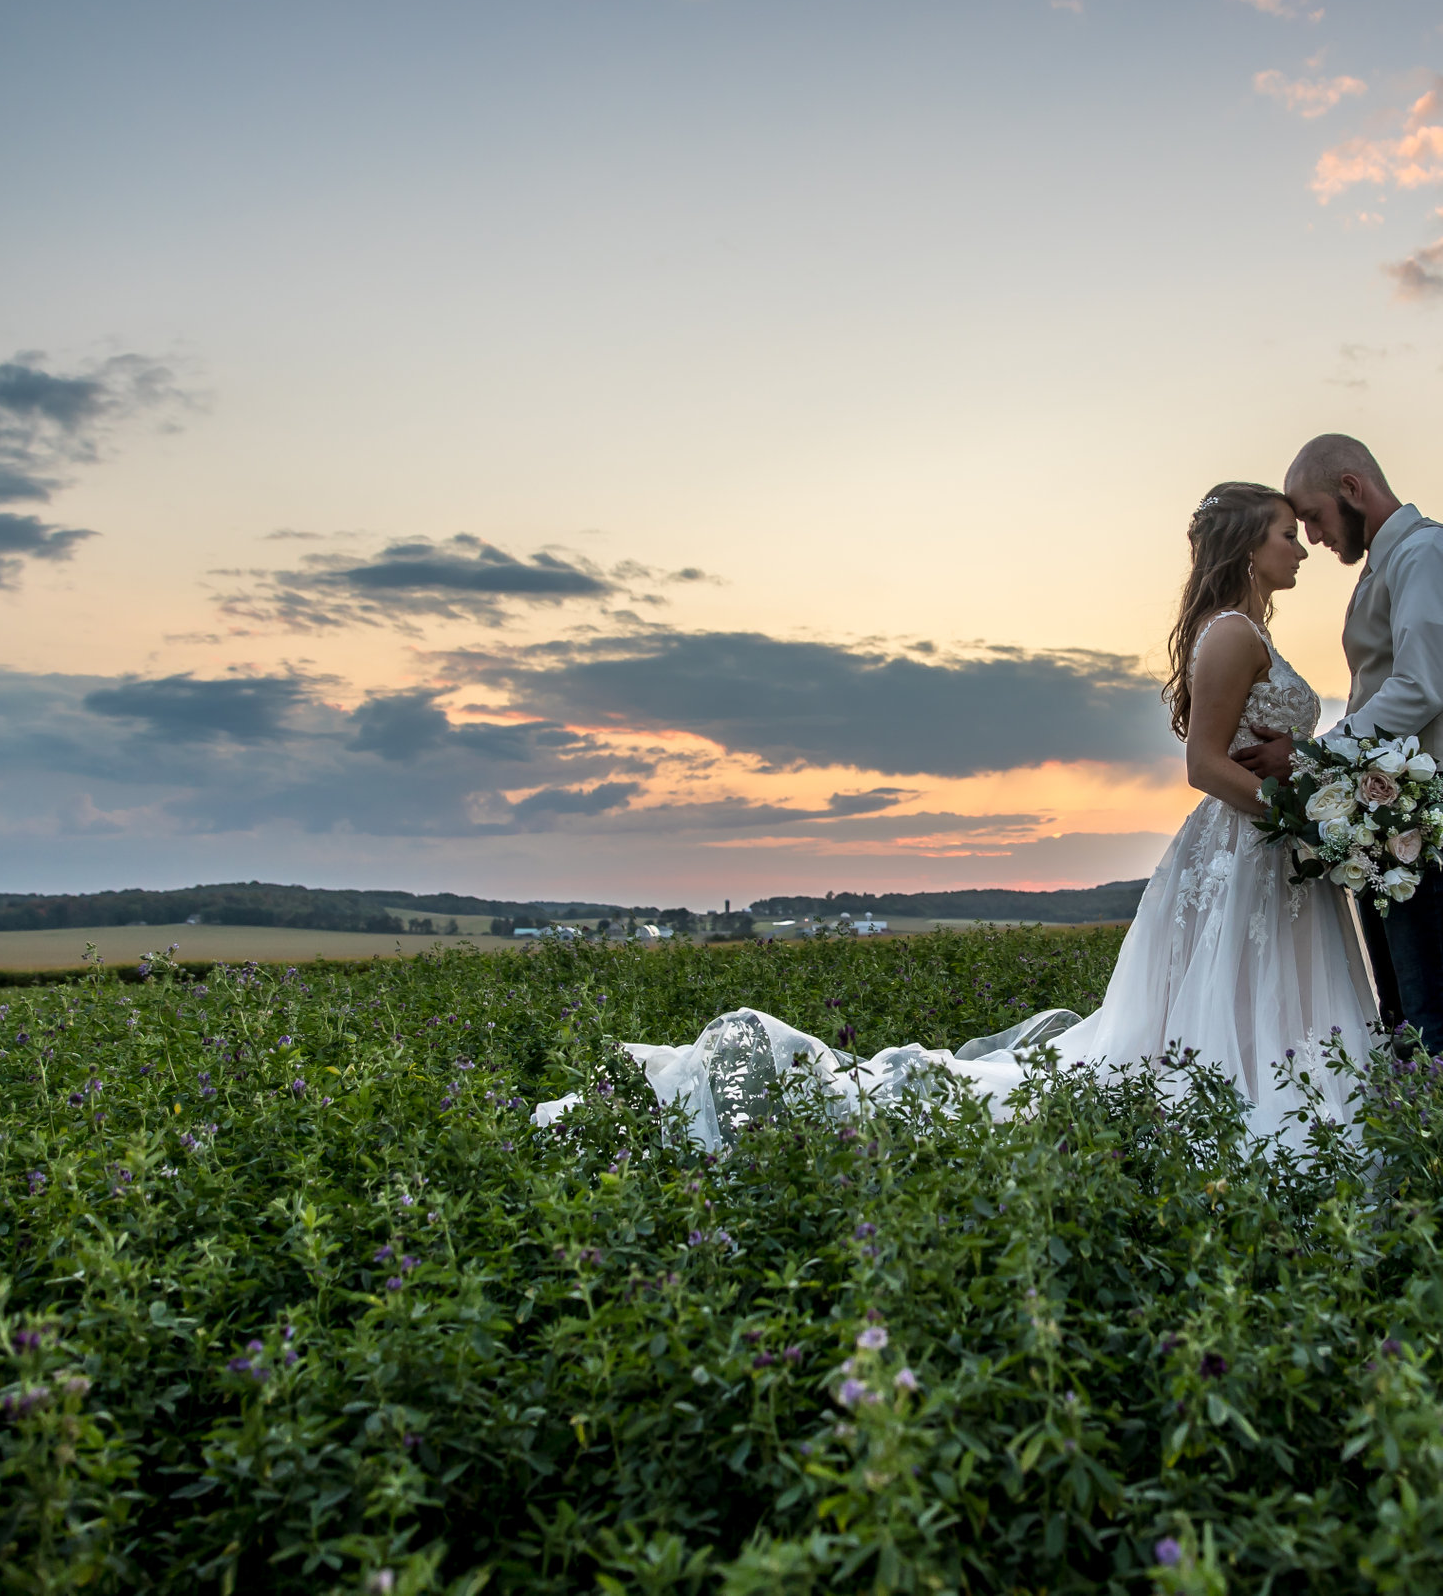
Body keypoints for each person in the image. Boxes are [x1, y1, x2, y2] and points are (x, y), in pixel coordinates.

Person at [531, 482, 1385, 1147]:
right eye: (1285, 533)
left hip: (1265, 844)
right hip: (1249, 841)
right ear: (1246, 546)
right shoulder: (1231, 633)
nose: (1299, 548)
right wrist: (1301, 817)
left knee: (1259, 996)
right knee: (1230, 996)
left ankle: (1264, 1100)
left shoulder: (1243, 631)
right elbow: (1203, 766)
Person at [1236, 433, 1443, 1064]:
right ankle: (1431, 1128)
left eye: (1314, 516)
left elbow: (1420, 687)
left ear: (1352, 488)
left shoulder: (1429, 554)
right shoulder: (1391, 564)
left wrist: (1309, 757)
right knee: (1406, 1024)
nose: (1313, 537)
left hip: (1435, 804)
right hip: (1391, 803)